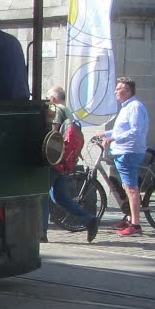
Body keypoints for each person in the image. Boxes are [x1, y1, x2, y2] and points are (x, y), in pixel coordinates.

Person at [99, 77, 150, 236]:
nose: (115, 92)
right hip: (122, 151)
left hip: (129, 152)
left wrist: (113, 138)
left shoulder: (135, 107)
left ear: (128, 91)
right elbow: (121, 130)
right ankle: (129, 218)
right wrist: (105, 133)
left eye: (119, 89)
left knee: (131, 189)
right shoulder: (126, 107)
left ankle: (135, 224)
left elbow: (135, 131)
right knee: (126, 187)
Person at [42, 102, 98, 243]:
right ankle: (89, 220)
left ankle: (41, 233)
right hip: (65, 162)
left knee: (42, 196)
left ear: (53, 98)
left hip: (54, 161)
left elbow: (53, 135)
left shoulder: (56, 110)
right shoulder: (67, 111)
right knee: (60, 197)